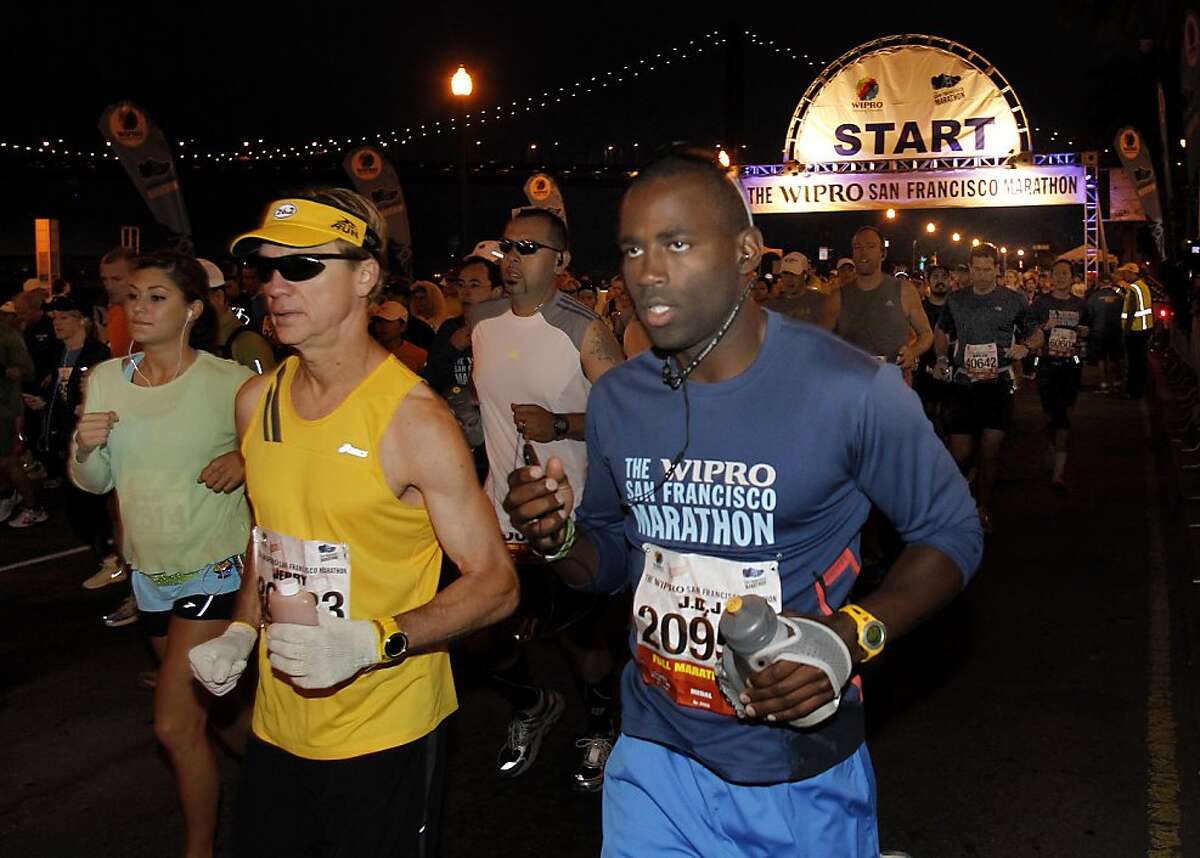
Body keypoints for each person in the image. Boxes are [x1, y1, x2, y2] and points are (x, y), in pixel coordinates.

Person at [503, 150, 981, 857]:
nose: (648, 270)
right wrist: (557, 538)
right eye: (633, 248)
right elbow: (608, 559)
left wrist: (852, 636)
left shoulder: (851, 389)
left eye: (677, 242)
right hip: (652, 756)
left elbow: (953, 532)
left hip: (793, 767)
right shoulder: (619, 399)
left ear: (747, 252)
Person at [187, 189, 518, 856]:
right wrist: (242, 631)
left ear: (365, 276)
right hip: (277, 726)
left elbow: (496, 584)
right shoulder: (256, 401)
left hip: (385, 729)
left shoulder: (414, 422)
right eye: (267, 269)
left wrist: (376, 642)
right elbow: (271, 538)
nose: (276, 287)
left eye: (302, 267)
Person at [70, 250, 251, 858]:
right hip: (149, 576)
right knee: (220, 716)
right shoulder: (104, 378)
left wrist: (248, 461)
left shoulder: (230, 383)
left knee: (175, 724)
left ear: (193, 309)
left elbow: (289, 459)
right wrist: (84, 446)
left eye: (156, 297)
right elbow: (94, 482)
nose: (138, 307)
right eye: (133, 296)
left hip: (216, 567)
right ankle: (297, 779)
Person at [472, 206, 627, 790]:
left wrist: (561, 422)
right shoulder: (482, 320)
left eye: (527, 248)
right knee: (483, 634)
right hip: (498, 513)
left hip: (572, 514)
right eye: (506, 247)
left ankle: (599, 723)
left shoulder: (583, 329)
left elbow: (626, 420)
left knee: (580, 640)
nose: (510, 259)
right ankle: (533, 705)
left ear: (560, 262)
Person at [933, 244, 1043, 533]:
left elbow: (1037, 333)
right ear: (969, 269)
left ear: (997, 269)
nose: (981, 275)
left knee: (990, 449)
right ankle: (957, 503)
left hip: (997, 384)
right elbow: (942, 331)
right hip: (964, 384)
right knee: (960, 452)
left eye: (986, 269)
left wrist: (1025, 346)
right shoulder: (956, 300)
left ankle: (982, 508)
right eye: (976, 269)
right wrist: (943, 357)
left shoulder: (1013, 300)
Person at [422, 254, 503, 471]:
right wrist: (451, 349)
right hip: (458, 438)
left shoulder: (506, 331)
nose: (465, 292)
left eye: (475, 285)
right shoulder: (450, 330)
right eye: (461, 285)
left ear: (496, 291)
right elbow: (429, 381)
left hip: (499, 438)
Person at [833, 226, 933, 379]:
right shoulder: (838, 296)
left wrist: (912, 351)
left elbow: (926, 333)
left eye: (870, 247)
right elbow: (821, 340)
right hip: (852, 385)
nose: (863, 252)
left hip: (893, 384)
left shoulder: (904, 290)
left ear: (883, 254)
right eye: (857, 247)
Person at [1031, 259, 1090, 489]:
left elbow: (1087, 330)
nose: (1060, 277)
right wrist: (1042, 328)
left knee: (1065, 414)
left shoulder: (1080, 305)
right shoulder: (1041, 302)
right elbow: (1028, 328)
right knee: (1051, 415)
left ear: (1072, 277)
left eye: (1065, 273)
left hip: (1071, 366)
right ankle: (1054, 452)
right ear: (1050, 277)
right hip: (1047, 365)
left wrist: (1085, 332)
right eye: (1056, 273)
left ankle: (1058, 471)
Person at [199, 259, 277, 375]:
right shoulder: (198, 339)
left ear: (218, 297)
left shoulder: (247, 344)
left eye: (197, 300)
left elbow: (266, 388)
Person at [0, 308, 35, 524]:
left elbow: (27, 372)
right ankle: (7, 496)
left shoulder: (8, 336)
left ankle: (33, 506)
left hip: (6, 409)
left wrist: (3, 370)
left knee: (8, 461)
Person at [914, 264, 953, 434]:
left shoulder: (957, 307)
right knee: (926, 414)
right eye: (935, 277)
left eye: (943, 277)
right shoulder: (918, 308)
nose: (940, 281)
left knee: (950, 415)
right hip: (924, 368)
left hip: (953, 367)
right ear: (928, 281)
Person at [1119, 261, 1153, 399]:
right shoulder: (1143, 286)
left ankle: (1134, 391)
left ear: (1131, 273)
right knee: (1140, 360)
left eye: (1125, 273)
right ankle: (1140, 389)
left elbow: (1132, 311)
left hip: (1135, 331)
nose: (1124, 275)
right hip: (1145, 329)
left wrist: (1126, 330)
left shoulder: (1133, 288)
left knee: (1134, 362)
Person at [1086, 271, 1124, 392]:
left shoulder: (1094, 297)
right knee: (1116, 358)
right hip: (1116, 331)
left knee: (1101, 358)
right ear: (1111, 282)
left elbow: (1088, 314)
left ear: (1100, 282)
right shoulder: (1119, 297)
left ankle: (1104, 384)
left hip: (1099, 331)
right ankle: (1117, 382)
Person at [369, 299, 427, 372]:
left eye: (388, 322)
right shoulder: (366, 352)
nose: (382, 326)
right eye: (378, 321)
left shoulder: (418, 355)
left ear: (403, 326)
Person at [99, 247, 137, 356]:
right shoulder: (115, 313)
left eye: (117, 279)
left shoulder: (150, 314)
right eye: (104, 279)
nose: (109, 286)